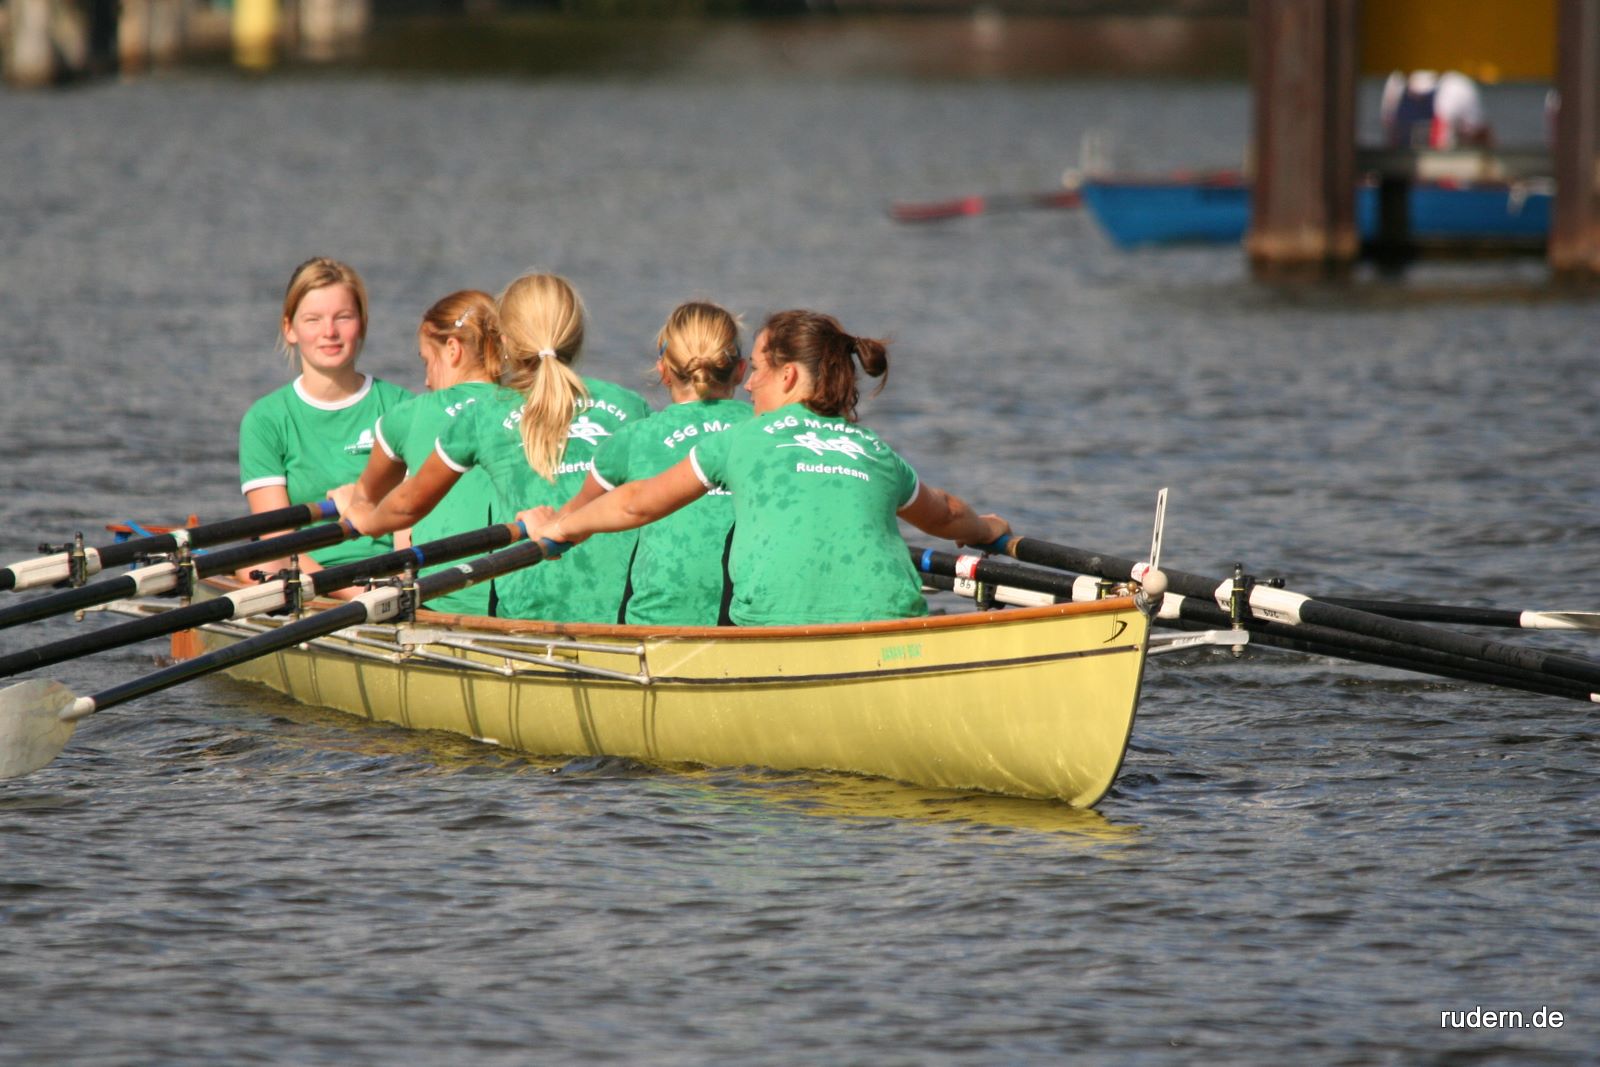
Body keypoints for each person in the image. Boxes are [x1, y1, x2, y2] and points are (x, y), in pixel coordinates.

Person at [523, 309, 1009, 627]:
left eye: (756, 369)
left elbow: (635, 506)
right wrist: (988, 527)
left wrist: (564, 527)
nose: (749, 385)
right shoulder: (873, 449)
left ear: (789, 375)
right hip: (892, 622)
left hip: (779, 629)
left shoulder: (737, 440)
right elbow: (945, 515)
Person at [336, 271, 648, 622]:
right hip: (621, 613)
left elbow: (408, 506)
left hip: (523, 615)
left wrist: (368, 520)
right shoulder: (631, 406)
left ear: (506, 342)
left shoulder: (482, 415)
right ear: (576, 335)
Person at [554, 301, 751, 626]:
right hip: (747, 620)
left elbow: (573, 518)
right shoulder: (764, 431)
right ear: (741, 371)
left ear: (663, 370)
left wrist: (542, 522)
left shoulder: (632, 439)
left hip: (658, 622)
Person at [237, 257, 412, 584]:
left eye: (343, 317)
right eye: (313, 320)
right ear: (289, 329)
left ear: (362, 323)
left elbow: (413, 526)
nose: (329, 332)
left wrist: (398, 587)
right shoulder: (265, 421)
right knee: (256, 566)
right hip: (306, 580)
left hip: (393, 575)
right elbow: (279, 540)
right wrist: (351, 593)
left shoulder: (402, 407)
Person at [330, 290, 505, 616]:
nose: (425, 380)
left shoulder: (409, 415)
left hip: (443, 599)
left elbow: (365, 497)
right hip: (521, 596)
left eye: (427, 361)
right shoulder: (531, 408)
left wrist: (350, 503)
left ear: (452, 349)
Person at [1381, 70, 1492, 150]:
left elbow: (1480, 135)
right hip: (1406, 175)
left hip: (1442, 176)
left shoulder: (1457, 85)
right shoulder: (1396, 82)